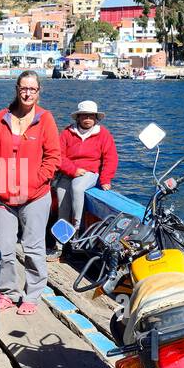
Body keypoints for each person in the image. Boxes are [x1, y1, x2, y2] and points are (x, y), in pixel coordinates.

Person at [0, 70, 61, 315]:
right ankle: (8, 292)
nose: (27, 93)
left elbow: (53, 158)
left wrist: (34, 184)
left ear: (39, 92)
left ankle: (32, 295)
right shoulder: (1, 118)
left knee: (33, 248)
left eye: (32, 89)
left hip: (35, 196)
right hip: (3, 197)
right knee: (4, 248)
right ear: (17, 89)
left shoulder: (45, 120)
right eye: (23, 88)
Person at [47, 100, 118, 260]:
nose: (87, 118)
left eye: (91, 116)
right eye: (84, 115)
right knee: (62, 204)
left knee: (78, 187)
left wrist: (106, 179)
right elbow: (59, 156)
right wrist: (73, 170)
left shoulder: (103, 134)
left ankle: (77, 231)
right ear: (78, 118)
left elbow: (110, 158)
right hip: (68, 172)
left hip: (89, 172)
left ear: (96, 118)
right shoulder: (67, 133)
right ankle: (60, 246)